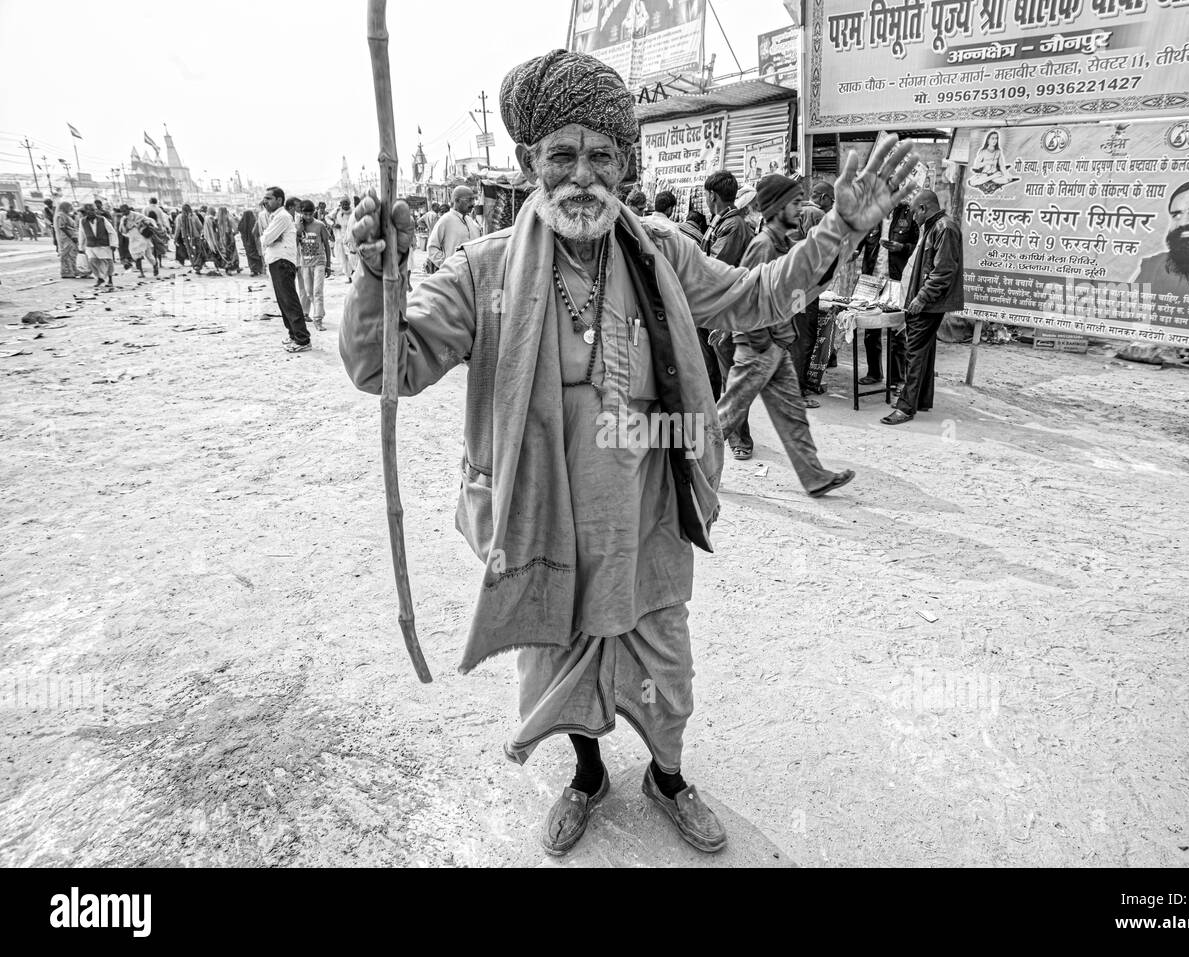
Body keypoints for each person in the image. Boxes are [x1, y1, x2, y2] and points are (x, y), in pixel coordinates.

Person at [338, 48, 916, 859]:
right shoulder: (484, 270)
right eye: (561, 156)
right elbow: (383, 367)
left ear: (625, 162)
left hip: (645, 524)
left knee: (664, 671)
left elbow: (757, 297)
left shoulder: (664, 254)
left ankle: (668, 777)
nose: (582, 176)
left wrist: (841, 228)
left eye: (601, 155)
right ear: (527, 163)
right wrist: (377, 281)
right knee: (559, 666)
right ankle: (587, 775)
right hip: (544, 532)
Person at [712, 173, 853, 490]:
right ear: (776, 208)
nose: (800, 209)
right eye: (794, 204)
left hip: (776, 344)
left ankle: (814, 476)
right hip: (758, 346)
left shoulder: (782, 244)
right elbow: (749, 294)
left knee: (792, 416)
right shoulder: (763, 247)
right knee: (727, 415)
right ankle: (686, 468)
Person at [882, 188, 963, 425]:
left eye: (913, 212)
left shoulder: (944, 228)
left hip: (927, 304)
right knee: (923, 352)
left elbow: (943, 271)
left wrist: (921, 298)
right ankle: (921, 400)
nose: (912, 217)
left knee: (914, 354)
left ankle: (906, 407)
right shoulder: (932, 227)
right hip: (923, 301)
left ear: (923, 209)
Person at [702, 169, 754, 418]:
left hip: (725, 312)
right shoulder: (720, 221)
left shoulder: (733, 226)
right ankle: (713, 423)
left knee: (729, 375)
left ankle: (739, 438)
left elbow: (713, 268)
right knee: (710, 372)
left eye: (705, 194)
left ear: (712, 195)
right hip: (712, 310)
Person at [860, 200, 917, 387]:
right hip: (872, 280)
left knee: (897, 330)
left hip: (895, 280)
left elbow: (917, 247)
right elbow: (859, 240)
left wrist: (901, 248)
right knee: (870, 328)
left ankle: (897, 379)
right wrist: (853, 250)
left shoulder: (909, 215)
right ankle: (874, 373)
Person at [791, 180, 837, 398]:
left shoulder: (795, 210)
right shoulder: (817, 215)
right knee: (805, 334)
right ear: (823, 197)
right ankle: (799, 388)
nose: (831, 205)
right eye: (831, 200)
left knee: (795, 331)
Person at [261, 186, 312, 352]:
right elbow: (267, 239)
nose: (265, 201)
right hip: (277, 261)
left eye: (269, 198)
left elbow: (266, 238)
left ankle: (303, 340)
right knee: (283, 302)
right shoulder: (275, 217)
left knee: (289, 301)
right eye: (265, 198)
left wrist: (269, 239)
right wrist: (269, 239)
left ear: (279, 200)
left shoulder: (282, 217)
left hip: (282, 262)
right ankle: (293, 335)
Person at [427, 186, 483, 272]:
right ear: (457, 201)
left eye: (473, 199)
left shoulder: (470, 221)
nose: (473, 204)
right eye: (469, 200)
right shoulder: (445, 220)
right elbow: (432, 248)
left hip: (472, 273)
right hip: (454, 274)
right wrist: (446, 265)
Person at [296, 199, 331, 332]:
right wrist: (299, 226)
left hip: (319, 263)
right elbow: (295, 243)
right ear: (301, 213)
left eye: (311, 214)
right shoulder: (298, 226)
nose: (308, 217)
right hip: (305, 263)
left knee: (317, 291)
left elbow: (326, 245)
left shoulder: (320, 225)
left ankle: (318, 319)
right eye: (305, 214)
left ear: (314, 212)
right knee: (309, 292)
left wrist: (328, 265)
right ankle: (320, 310)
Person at [78, 202, 118, 290]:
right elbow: (81, 234)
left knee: (107, 262)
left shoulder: (102, 219)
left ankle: (110, 279)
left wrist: (114, 244)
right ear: (86, 211)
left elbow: (112, 232)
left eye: (93, 210)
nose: (91, 212)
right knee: (92, 262)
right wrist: (81, 247)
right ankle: (100, 278)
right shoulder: (82, 221)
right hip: (91, 245)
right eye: (89, 211)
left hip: (104, 244)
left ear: (95, 210)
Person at [122, 207, 159, 278]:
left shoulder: (138, 215)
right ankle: (142, 273)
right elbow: (123, 230)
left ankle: (155, 266)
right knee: (137, 256)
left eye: (125, 210)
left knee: (149, 256)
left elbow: (150, 220)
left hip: (143, 238)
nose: (124, 213)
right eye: (123, 211)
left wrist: (153, 226)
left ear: (128, 209)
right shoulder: (124, 219)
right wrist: (125, 224)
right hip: (133, 239)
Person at [174, 204, 207, 274]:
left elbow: (177, 229)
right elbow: (200, 226)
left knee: (190, 252)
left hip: (186, 238)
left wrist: (175, 238)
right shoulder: (194, 216)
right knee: (198, 252)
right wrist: (198, 232)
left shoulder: (179, 217)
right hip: (196, 237)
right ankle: (198, 266)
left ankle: (195, 266)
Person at [55, 201, 83, 278]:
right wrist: (71, 236)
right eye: (69, 208)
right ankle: (67, 271)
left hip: (70, 237)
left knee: (72, 255)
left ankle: (73, 270)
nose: (70, 209)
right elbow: (62, 227)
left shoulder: (65, 215)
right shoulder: (61, 215)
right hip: (67, 238)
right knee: (67, 254)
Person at [333, 198, 356, 281]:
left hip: (351, 239)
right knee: (343, 259)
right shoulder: (338, 213)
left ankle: (353, 272)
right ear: (341, 204)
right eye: (343, 204)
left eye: (347, 204)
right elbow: (327, 218)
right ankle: (349, 276)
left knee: (352, 257)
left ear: (349, 204)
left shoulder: (353, 213)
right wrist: (333, 224)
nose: (345, 205)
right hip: (340, 240)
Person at [239, 208, 264, 276]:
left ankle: (253, 270)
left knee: (249, 256)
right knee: (257, 255)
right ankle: (259, 269)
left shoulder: (242, 222)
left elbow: (239, 229)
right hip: (254, 242)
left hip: (246, 242)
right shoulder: (254, 221)